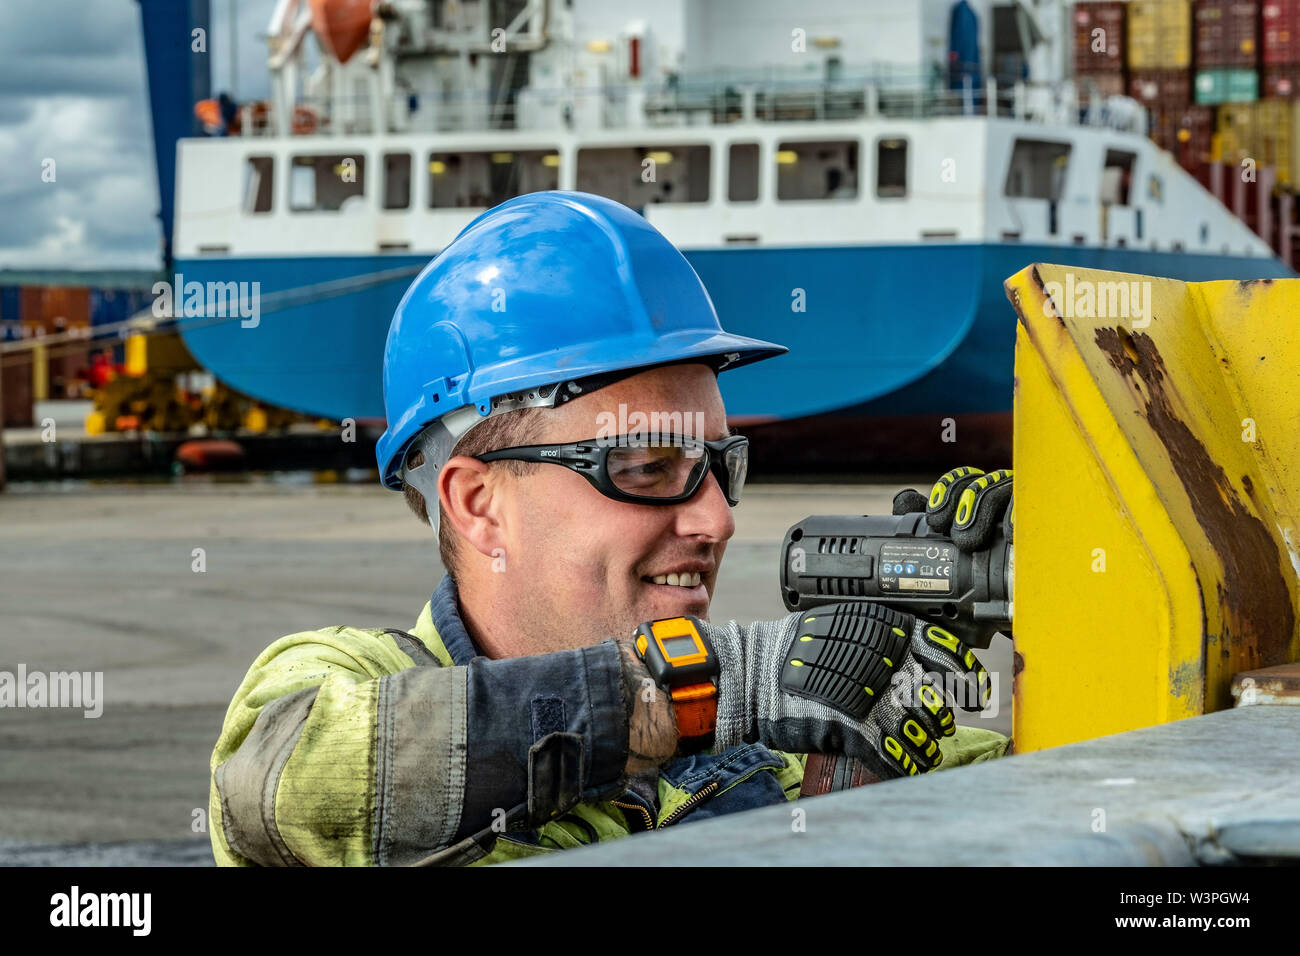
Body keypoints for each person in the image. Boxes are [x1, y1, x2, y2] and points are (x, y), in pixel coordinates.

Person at [208, 191, 1011, 866]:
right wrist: (718, 687)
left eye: (717, 465)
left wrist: (1044, 605)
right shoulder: (340, 685)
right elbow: (281, 787)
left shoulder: (781, 754)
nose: (718, 518)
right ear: (477, 502)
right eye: (645, 468)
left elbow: (1074, 795)